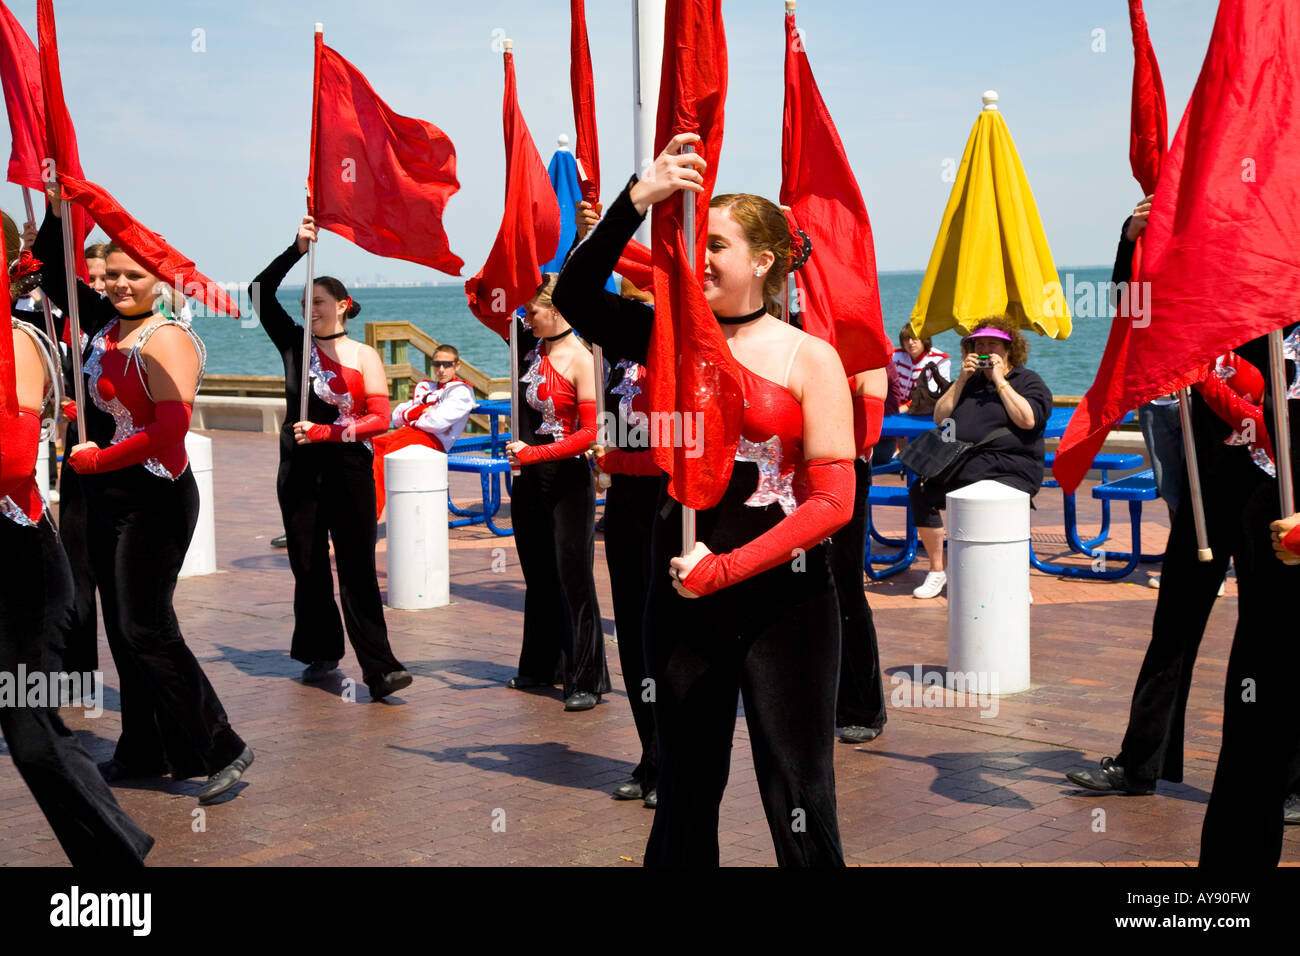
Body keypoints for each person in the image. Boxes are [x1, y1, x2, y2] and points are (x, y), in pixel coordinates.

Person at [555, 133, 856, 867]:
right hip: (681, 596)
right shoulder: (667, 338)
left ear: (763, 261)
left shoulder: (808, 356)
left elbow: (833, 502)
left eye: (716, 243)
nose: (701, 258)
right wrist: (637, 199)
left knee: (795, 790)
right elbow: (572, 295)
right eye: (696, 243)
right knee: (687, 785)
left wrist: (727, 568)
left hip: (785, 604)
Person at [35, 188, 253, 805]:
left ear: (160, 279)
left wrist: (99, 456)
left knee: (145, 625)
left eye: (135, 275)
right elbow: (56, 274)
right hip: (106, 497)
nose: (120, 284)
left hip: (154, 501)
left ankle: (223, 747)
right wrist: (58, 208)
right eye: (113, 275)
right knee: (123, 628)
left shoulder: (168, 339)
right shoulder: (104, 329)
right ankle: (145, 748)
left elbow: (169, 430)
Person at [1, 276, 155, 865]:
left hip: (20, 569)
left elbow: (12, 462)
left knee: (31, 731)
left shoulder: (14, 342)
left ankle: (118, 860)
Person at [250, 216, 412, 700]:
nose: (311, 310)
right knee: (308, 563)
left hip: (348, 471)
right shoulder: (292, 344)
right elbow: (259, 291)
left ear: (342, 305)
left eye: (318, 302)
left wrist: (329, 431)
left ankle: (381, 669)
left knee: (358, 565)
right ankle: (321, 649)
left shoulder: (364, 355)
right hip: (299, 471)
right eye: (306, 304)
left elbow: (381, 418)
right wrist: (296, 248)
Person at [573, 199, 661, 806]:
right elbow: (578, 293)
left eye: (639, 282)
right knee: (632, 630)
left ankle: (680, 755)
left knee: (672, 632)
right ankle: (651, 753)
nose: (628, 290)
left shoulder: (681, 334)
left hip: (674, 495)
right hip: (626, 498)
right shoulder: (617, 346)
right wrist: (594, 235)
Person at [503, 274, 610, 712]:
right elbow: (493, 306)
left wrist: (535, 454)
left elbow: (590, 432)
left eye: (534, 311)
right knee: (538, 574)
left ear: (557, 311)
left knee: (573, 577)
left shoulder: (583, 358)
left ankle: (585, 676)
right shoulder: (528, 352)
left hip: (567, 480)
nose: (528, 318)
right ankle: (540, 664)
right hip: (529, 479)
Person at [909, 317, 1052, 599]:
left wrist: (999, 381)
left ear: (1009, 349)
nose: (986, 351)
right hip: (967, 463)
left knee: (988, 494)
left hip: (1012, 467)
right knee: (921, 491)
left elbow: (1027, 420)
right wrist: (961, 380)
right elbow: (940, 417)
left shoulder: (1027, 381)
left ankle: (1014, 578)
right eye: (979, 345)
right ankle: (938, 571)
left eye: (993, 345)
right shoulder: (968, 383)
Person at [831, 371, 889, 744]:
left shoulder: (863, 343)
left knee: (844, 586)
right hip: (788, 468)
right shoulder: (788, 328)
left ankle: (862, 705)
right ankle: (815, 695)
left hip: (843, 467)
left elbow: (869, 426)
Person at [371, 344, 476, 519]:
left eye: (447, 365)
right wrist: (421, 412)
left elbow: (436, 423)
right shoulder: (426, 387)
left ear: (457, 366)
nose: (441, 370)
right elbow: (396, 416)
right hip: (408, 434)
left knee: (386, 459)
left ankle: (370, 515)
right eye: (437, 364)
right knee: (369, 449)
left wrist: (413, 415)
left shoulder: (461, 391)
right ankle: (355, 506)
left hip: (434, 441)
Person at [892, 324, 950, 412]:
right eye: (906, 339)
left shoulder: (940, 360)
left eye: (914, 337)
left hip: (925, 409)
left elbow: (933, 393)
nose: (910, 342)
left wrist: (903, 408)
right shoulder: (895, 356)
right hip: (896, 406)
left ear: (924, 339)